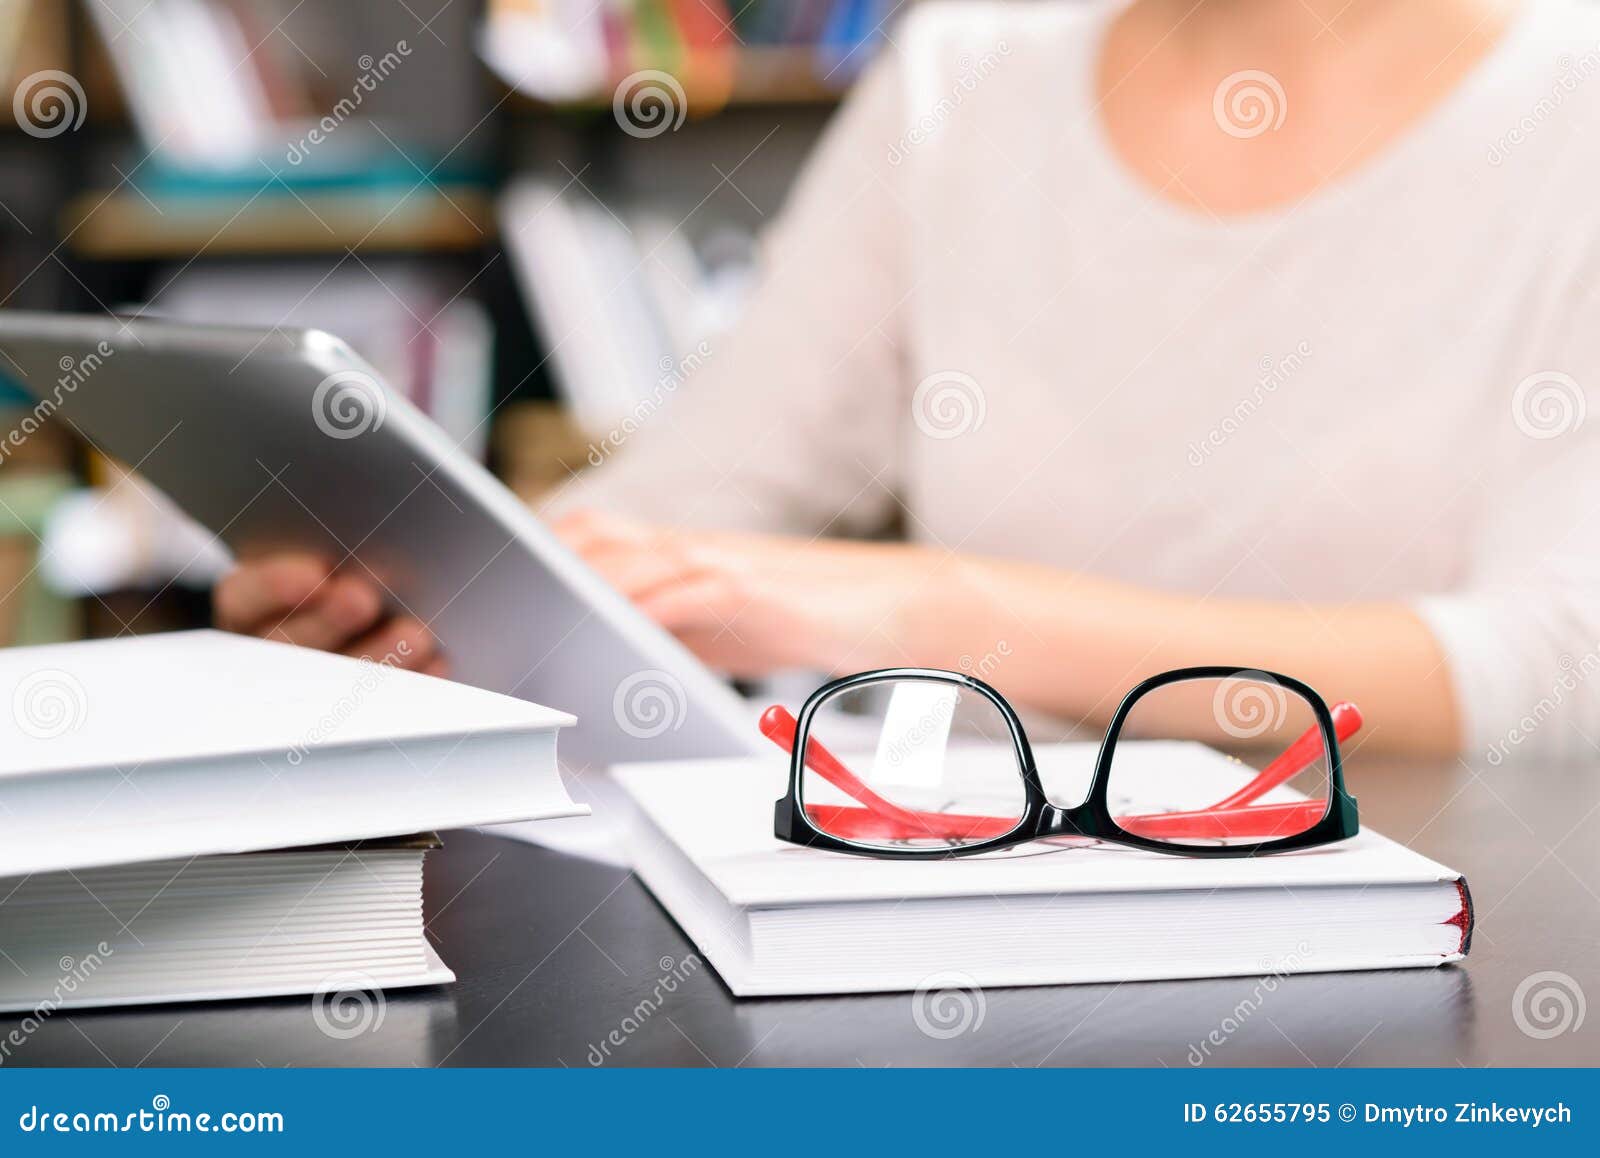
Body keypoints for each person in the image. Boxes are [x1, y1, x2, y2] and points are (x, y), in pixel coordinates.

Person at [216, 0, 1600, 763]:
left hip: (1440, 982)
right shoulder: (967, 70)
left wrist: (934, 609)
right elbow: (702, 493)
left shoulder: (1569, 100)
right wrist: (429, 595)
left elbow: (1554, 668)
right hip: (975, 934)